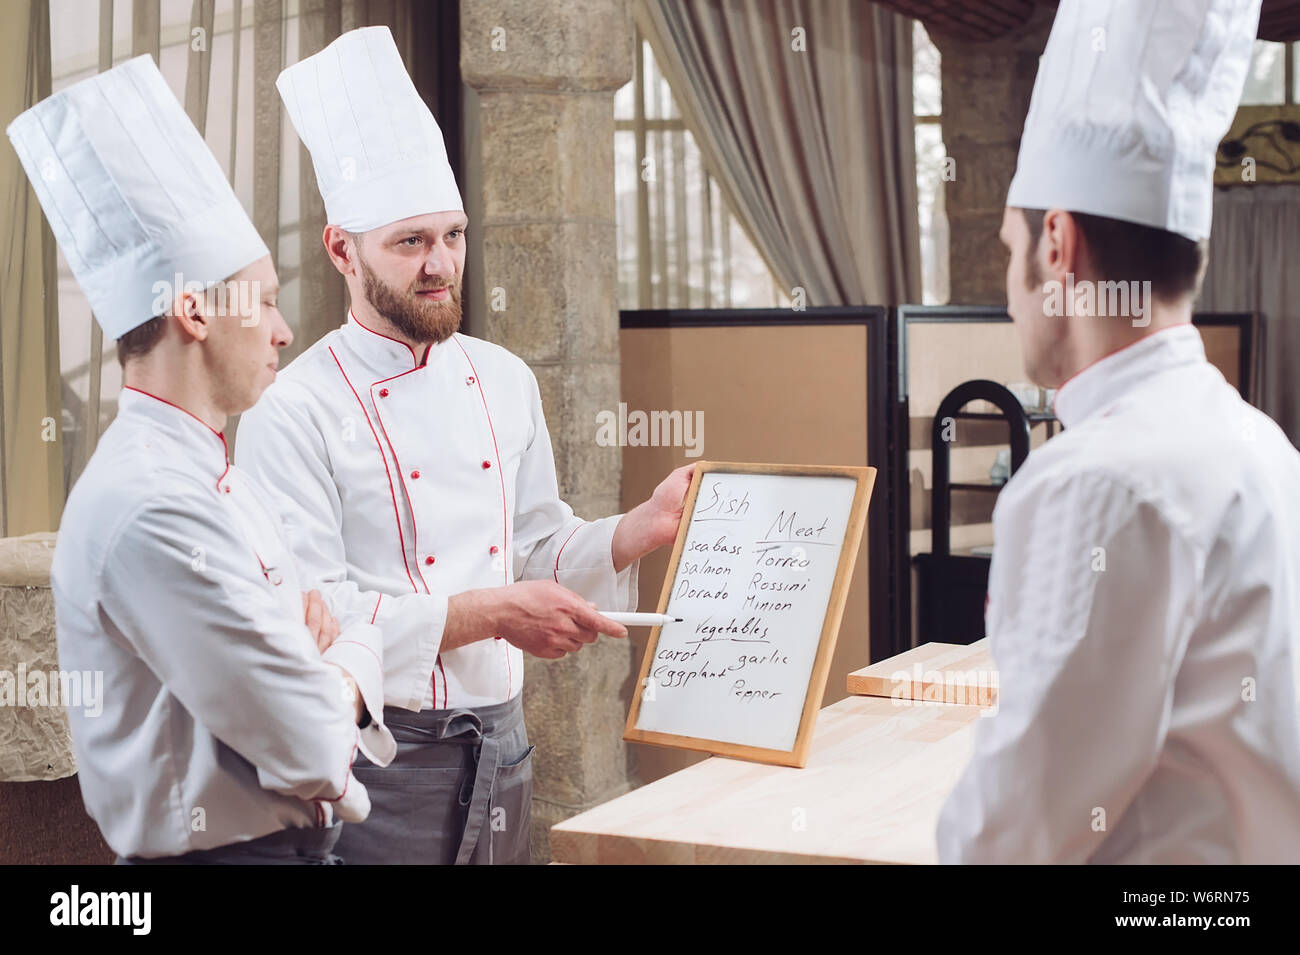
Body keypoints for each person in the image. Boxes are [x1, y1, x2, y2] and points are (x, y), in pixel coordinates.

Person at [236, 25, 691, 865]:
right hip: (380, 761)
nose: (440, 263)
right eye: (410, 242)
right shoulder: (289, 409)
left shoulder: (504, 378)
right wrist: (488, 613)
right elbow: (316, 614)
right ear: (343, 250)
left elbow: (533, 545)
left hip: (504, 748)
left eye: (452, 235)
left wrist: (638, 527)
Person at [936, 0, 1300, 863]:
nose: (1011, 292)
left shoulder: (1094, 480)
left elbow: (1015, 832)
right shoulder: (1266, 446)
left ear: (1056, 245)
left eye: (1007, 251)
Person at [8, 54, 394, 864]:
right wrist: (347, 669)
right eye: (263, 300)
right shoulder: (153, 503)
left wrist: (319, 653)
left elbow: (336, 622)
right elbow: (315, 747)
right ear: (193, 310)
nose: (284, 329)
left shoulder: (216, 472)